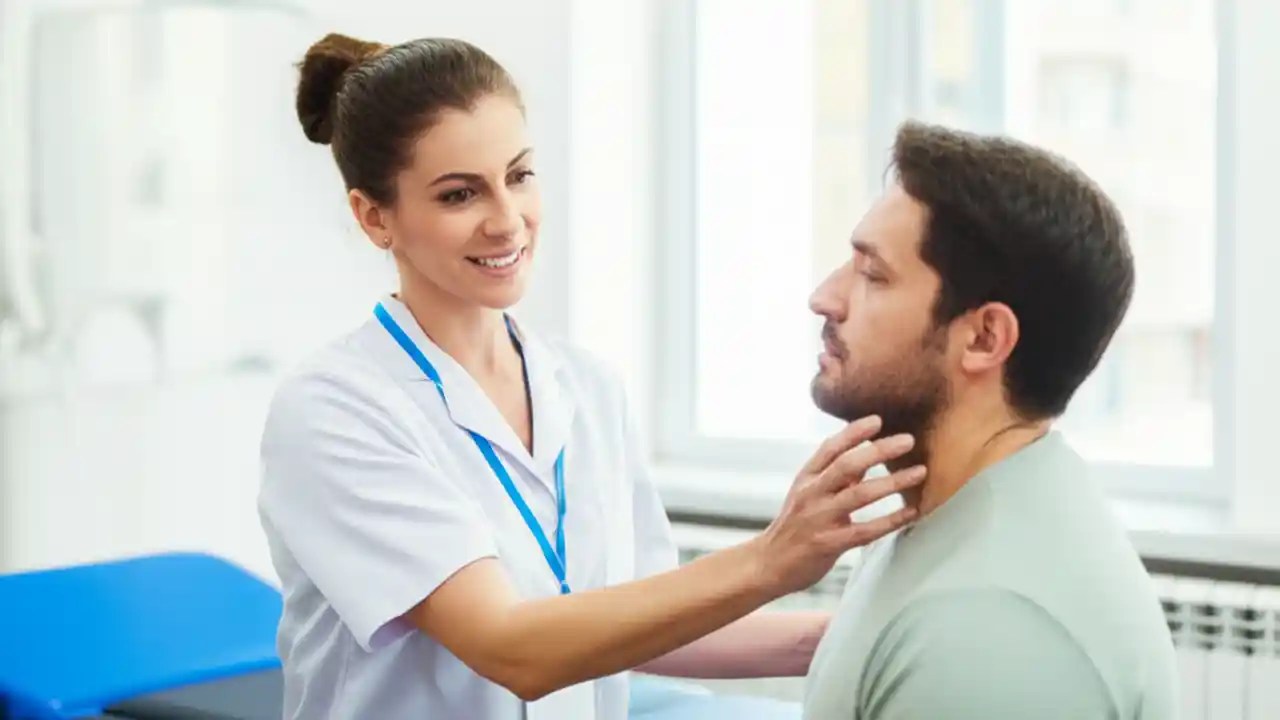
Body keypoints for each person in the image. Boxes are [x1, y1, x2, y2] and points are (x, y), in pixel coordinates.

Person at [257, 33, 926, 720]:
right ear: (375, 218)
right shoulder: (335, 410)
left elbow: (646, 619)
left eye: (519, 176)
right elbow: (512, 649)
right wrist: (769, 560)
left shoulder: (586, 388)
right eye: (460, 195)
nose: (507, 221)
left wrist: (867, 638)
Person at [801, 121, 1178, 719]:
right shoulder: (956, 513)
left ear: (983, 337)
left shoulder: (981, 623)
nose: (825, 297)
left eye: (873, 275)